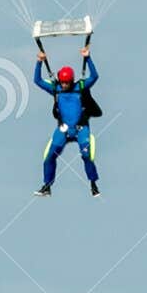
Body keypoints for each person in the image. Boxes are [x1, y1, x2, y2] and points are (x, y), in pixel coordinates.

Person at [33, 47, 99, 197]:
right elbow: (37, 80)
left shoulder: (80, 87)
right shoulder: (55, 89)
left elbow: (94, 76)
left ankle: (93, 184)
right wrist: (39, 62)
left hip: (81, 128)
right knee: (49, 156)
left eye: (66, 83)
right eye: (62, 83)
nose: (64, 85)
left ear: (71, 81)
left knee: (86, 155)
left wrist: (88, 58)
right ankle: (47, 186)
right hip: (63, 129)